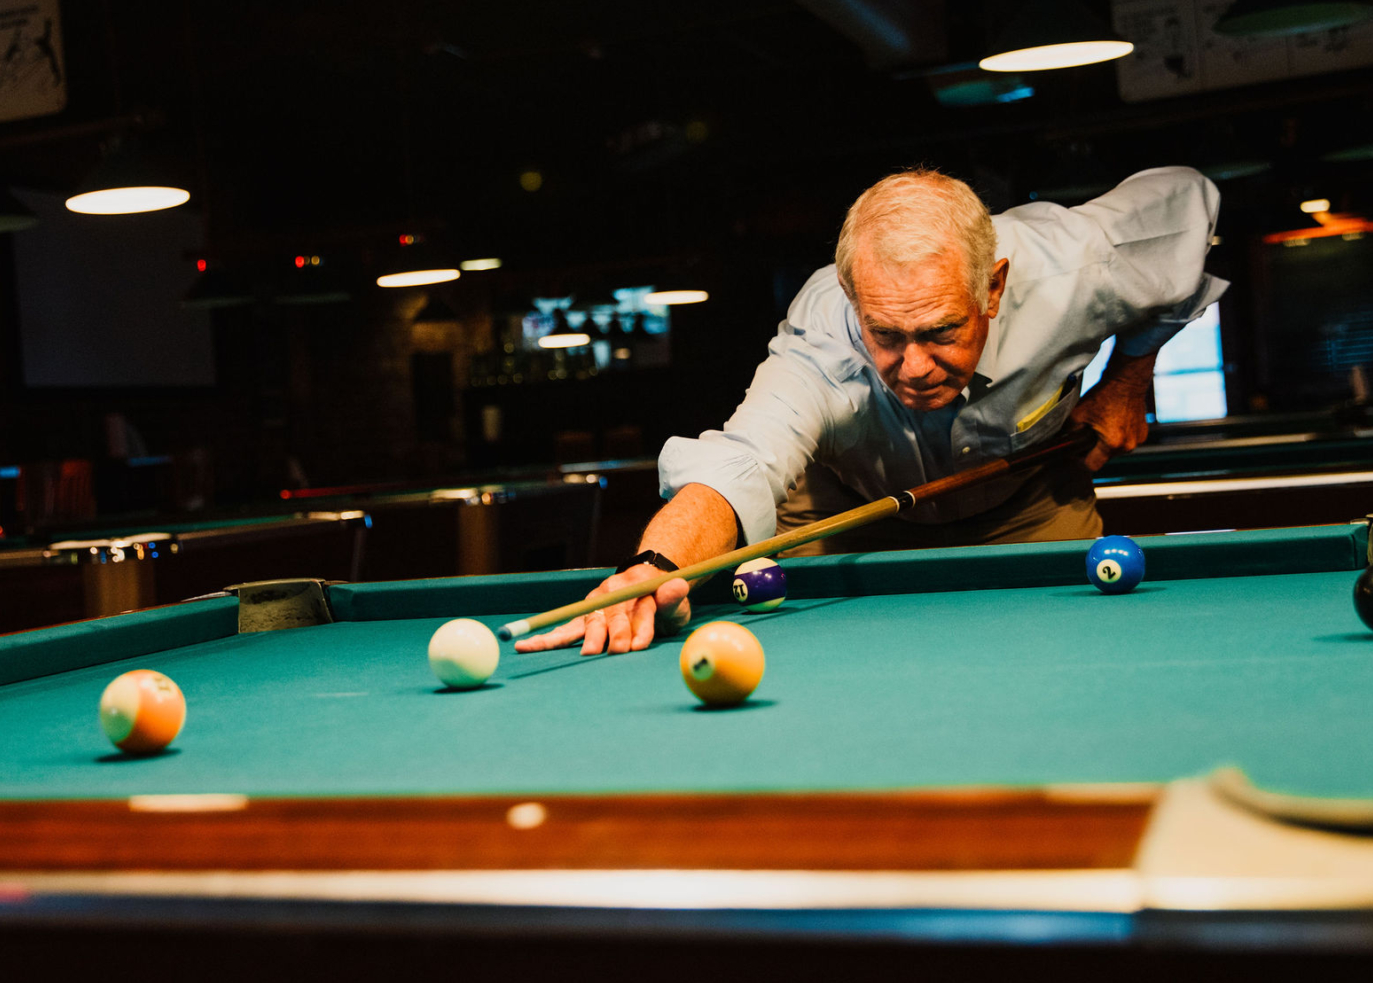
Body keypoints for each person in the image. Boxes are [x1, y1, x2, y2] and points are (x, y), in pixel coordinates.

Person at [517, 165, 1224, 657]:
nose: (913, 367)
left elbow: (1189, 199)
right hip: (841, 509)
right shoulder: (823, 336)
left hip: (1023, 505)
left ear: (994, 285)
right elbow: (744, 460)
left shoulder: (1078, 264)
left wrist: (1129, 378)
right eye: (886, 335)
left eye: (942, 331)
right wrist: (655, 565)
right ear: (855, 300)